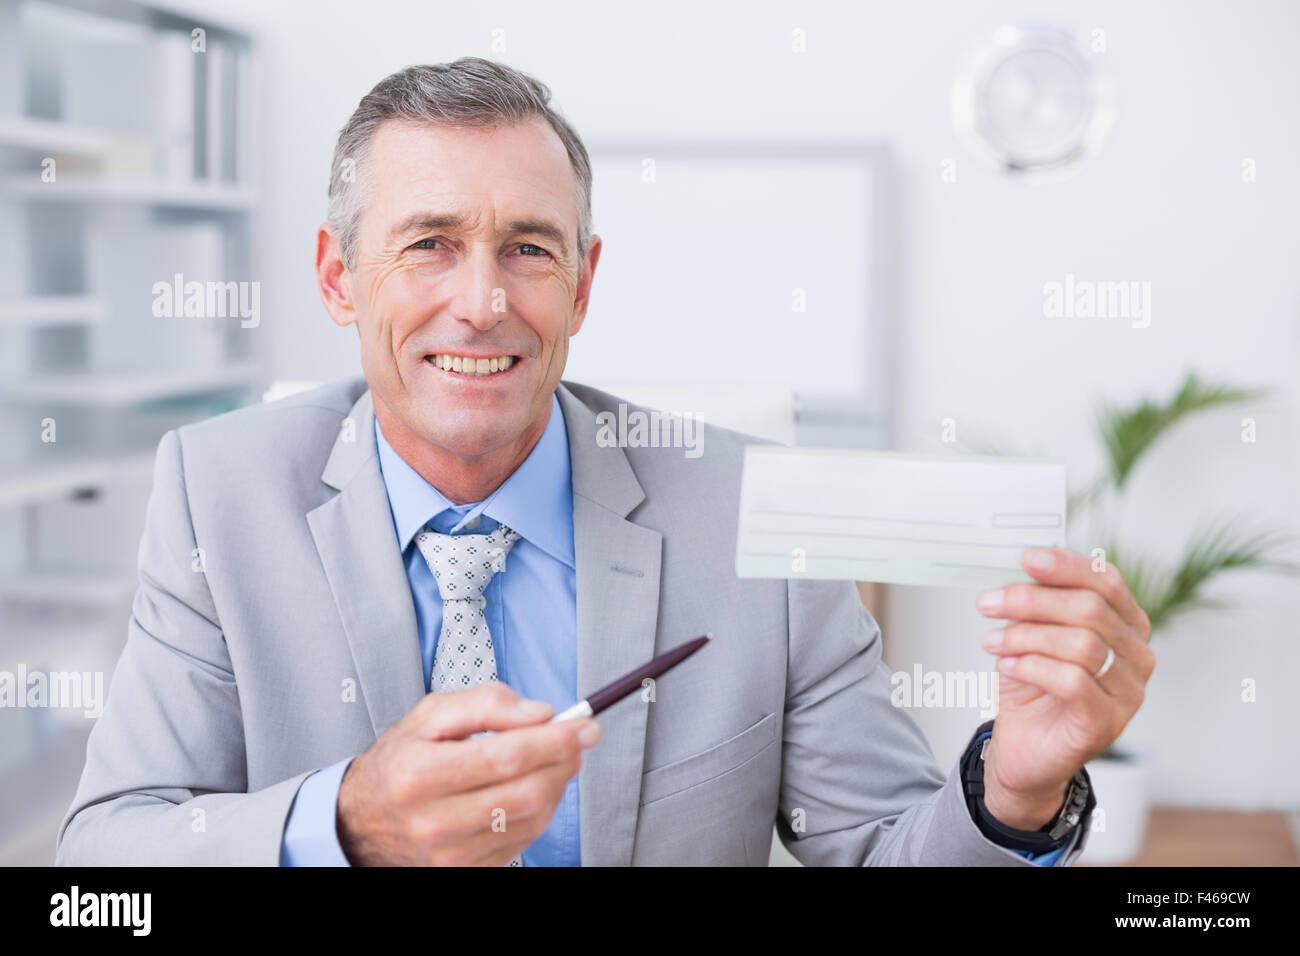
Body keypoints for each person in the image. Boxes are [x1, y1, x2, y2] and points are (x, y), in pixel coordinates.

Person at [57, 58, 1153, 866]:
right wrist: (346, 820)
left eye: (527, 249)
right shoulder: (217, 492)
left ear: (580, 284)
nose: (481, 302)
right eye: (429, 242)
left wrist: (1011, 786)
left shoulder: (749, 514)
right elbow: (100, 869)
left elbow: (875, 849)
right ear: (339, 278)